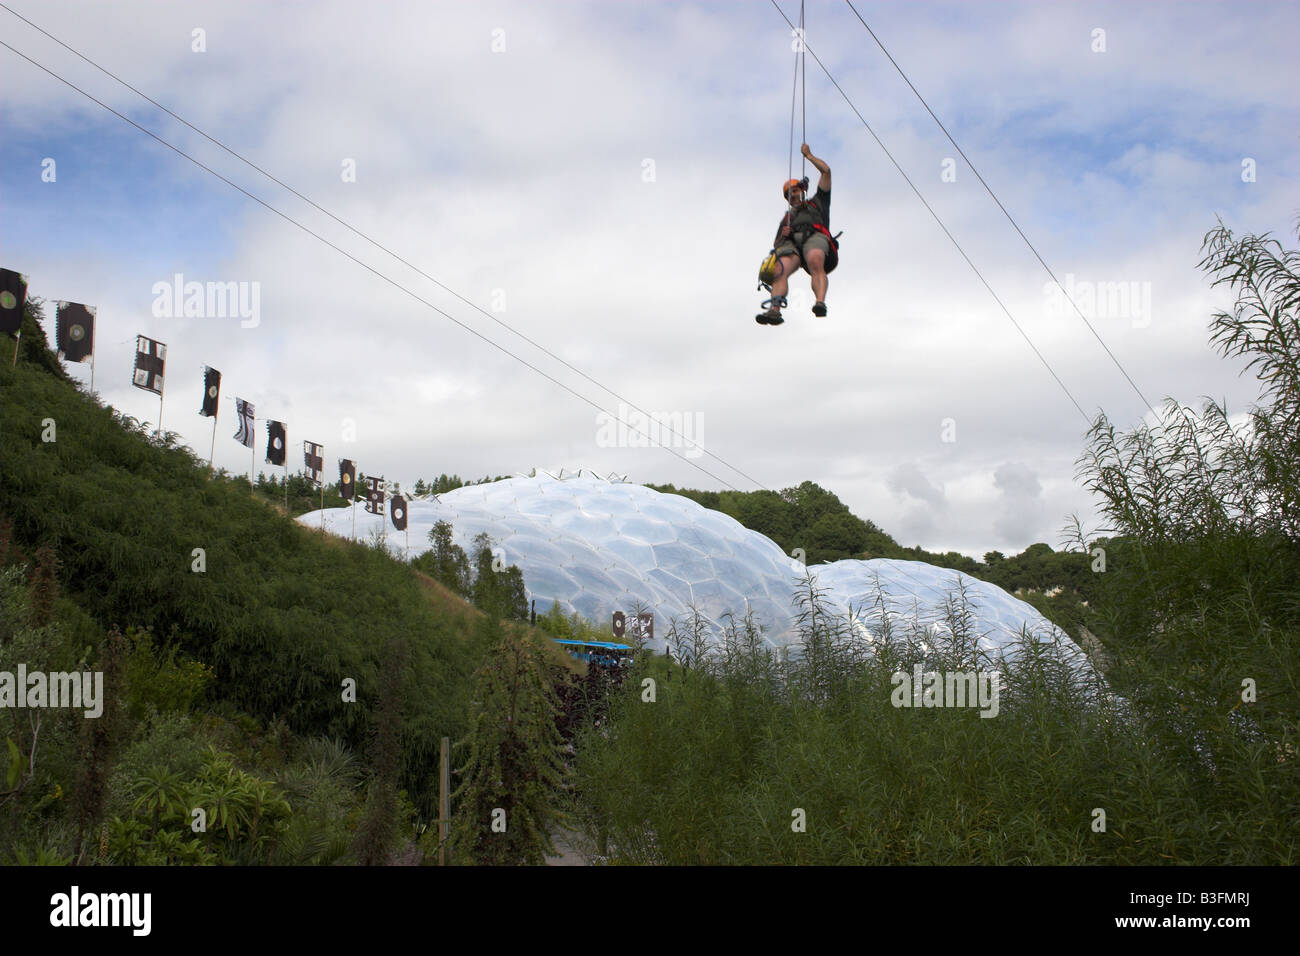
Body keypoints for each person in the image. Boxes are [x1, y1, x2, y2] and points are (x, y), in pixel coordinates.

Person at [757, 143, 836, 326]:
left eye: (795, 191)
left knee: (815, 258)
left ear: (802, 190)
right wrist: (783, 235)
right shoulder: (788, 218)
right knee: (779, 270)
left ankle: (820, 302)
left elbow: (826, 172)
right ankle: (774, 311)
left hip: (814, 237)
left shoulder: (818, 202)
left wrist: (809, 156)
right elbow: (777, 244)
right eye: (789, 194)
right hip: (793, 244)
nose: (792, 195)